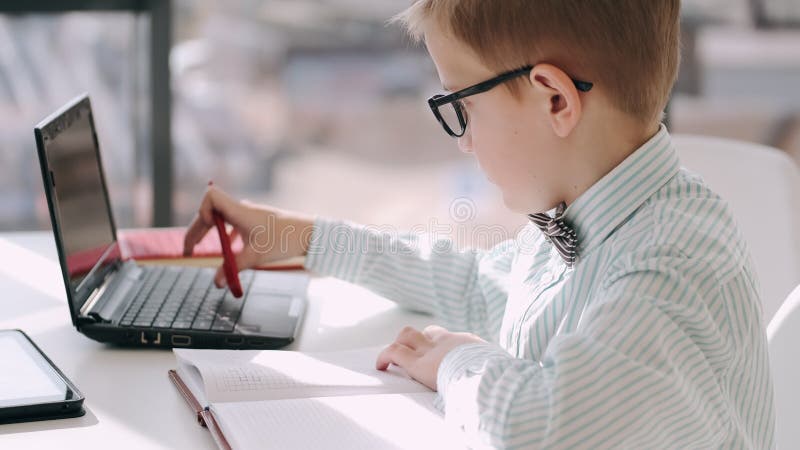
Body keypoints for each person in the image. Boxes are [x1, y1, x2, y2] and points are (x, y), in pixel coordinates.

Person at [184, 1, 775, 448]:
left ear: (555, 102)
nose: (464, 141)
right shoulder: (588, 215)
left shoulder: (669, 265)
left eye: (462, 106)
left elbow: (536, 429)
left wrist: (453, 363)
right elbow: (474, 285)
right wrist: (302, 238)